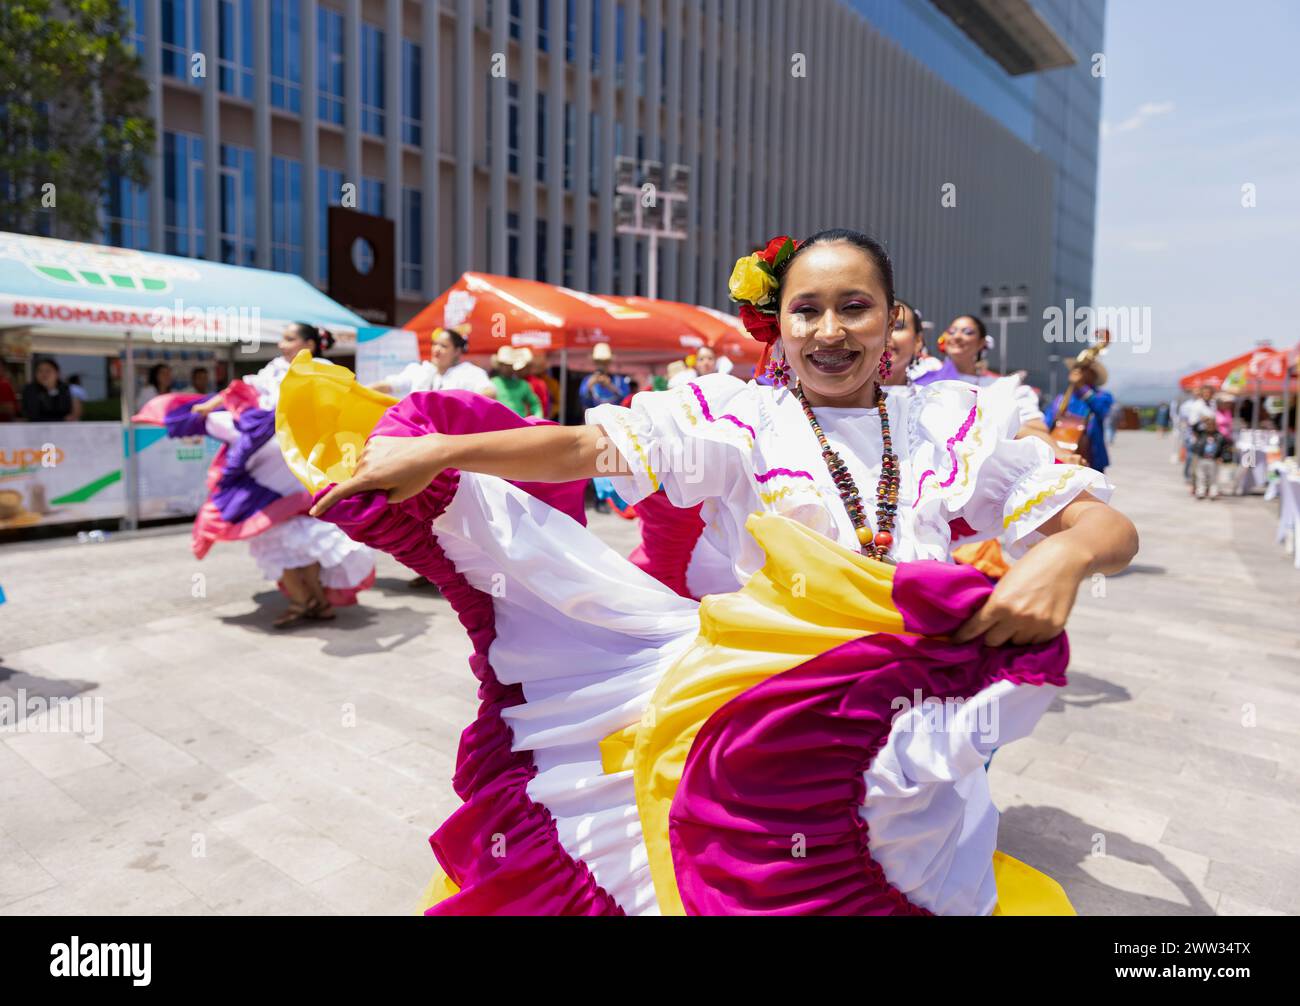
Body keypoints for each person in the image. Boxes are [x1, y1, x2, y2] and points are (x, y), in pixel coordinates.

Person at [293, 228, 1138, 916]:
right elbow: (588, 443)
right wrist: (445, 449)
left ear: (890, 322)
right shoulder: (739, 417)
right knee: (753, 885)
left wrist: (1064, 554)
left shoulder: (952, 420)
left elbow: (1104, 524)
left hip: (905, 703)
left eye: (856, 307)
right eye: (807, 309)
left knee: (904, 874)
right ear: (778, 323)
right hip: (764, 703)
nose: (830, 330)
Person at [147, 322, 375, 628]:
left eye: (289, 339)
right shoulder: (275, 369)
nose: (282, 344)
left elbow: (339, 407)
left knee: (293, 533)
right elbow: (242, 389)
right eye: (283, 338)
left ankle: (309, 601)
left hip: (302, 459)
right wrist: (208, 406)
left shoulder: (322, 370)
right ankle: (313, 602)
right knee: (289, 536)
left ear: (308, 344)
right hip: (271, 456)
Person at [369, 324, 494, 399]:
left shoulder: (469, 373)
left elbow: (489, 392)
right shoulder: (419, 370)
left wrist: (463, 404)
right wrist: (357, 390)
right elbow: (389, 385)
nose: (436, 350)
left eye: (444, 346)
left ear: (457, 351)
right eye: (435, 344)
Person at [1045, 356, 1114, 473]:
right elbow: (1046, 423)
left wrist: (1082, 387)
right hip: (1064, 456)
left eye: (1083, 369)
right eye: (1076, 368)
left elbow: (1101, 410)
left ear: (1093, 374)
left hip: (1092, 456)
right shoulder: (1061, 399)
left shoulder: (1103, 396)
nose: (1077, 371)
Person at [489, 346, 542, 418]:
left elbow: (535, 404)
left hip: (520, 425)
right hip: (499, 425)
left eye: (510, 365)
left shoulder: (523, 384)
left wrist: (537, 418)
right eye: (505, 365)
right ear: (500, 365)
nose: (508, 368)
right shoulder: (491, 383)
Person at [21, 358, 79, 422]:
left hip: (64, 428)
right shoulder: (30, 390)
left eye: (48, 371)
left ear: (57, 373)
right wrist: (61, 419)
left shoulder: (67, 389)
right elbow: (32, 415)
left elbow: (75, 413)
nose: (44, 374)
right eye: (40, 371)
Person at [578, 342, 630, 409]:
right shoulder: (587, 380)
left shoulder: (619, 381)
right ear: (595, 363)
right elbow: (583, 401)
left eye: (604, 362)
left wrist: (611, 387)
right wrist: (589, 386)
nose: (601, 365)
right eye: (598, 362)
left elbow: (627, 400)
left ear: (609, 362)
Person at [1191, 415, 1228, 500]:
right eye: (1208, 424)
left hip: (1213, 459)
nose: (1210, 426)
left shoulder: (1219, 436)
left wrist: (1221, 457)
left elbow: (1224, 447)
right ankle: (1201, 491)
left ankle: (1213, 492)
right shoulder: (1202, 434)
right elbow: (1193, 427)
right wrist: (1201, 421)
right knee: (1201, 476)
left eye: (1212, 424)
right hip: (1202, 458)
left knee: (1213, 477)